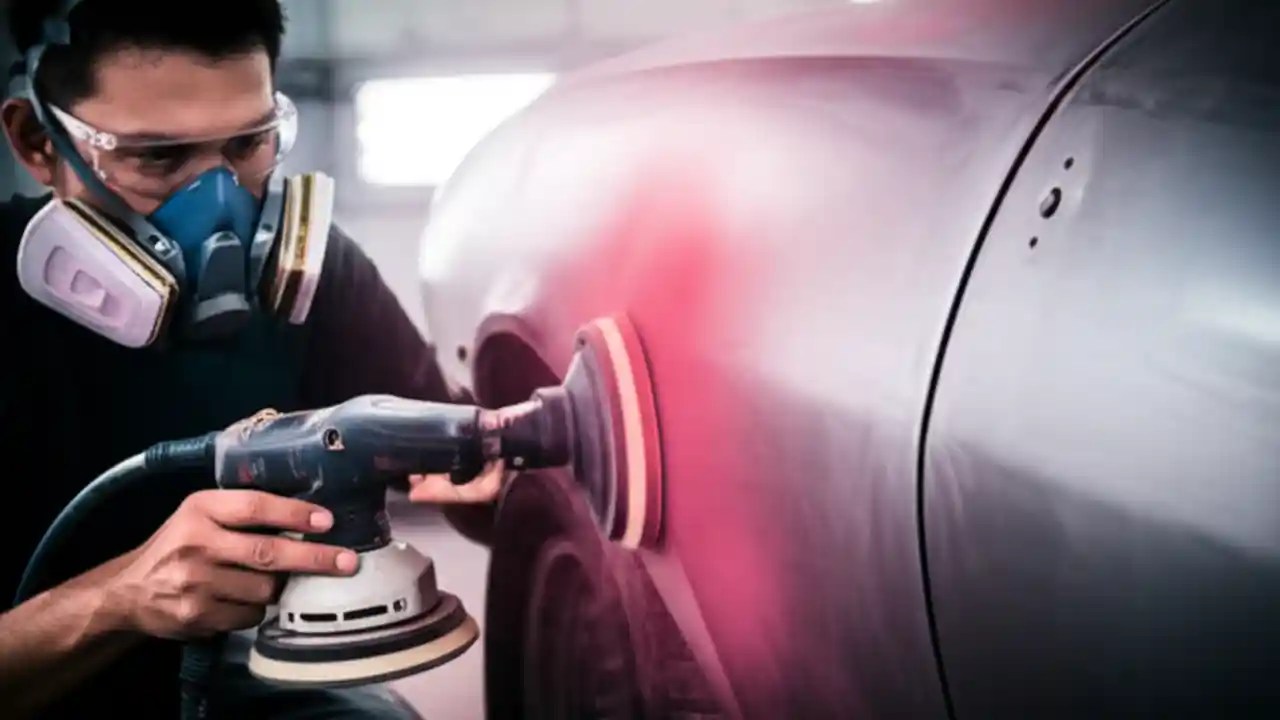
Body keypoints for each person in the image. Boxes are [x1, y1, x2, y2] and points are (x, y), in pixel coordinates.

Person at [0, 0, 503, 717]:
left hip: (222, 681)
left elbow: (458, 482)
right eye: (157, 157)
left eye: (248, 146)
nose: (221, 203)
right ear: (36, 142)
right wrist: (118, 600)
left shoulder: (317, 281)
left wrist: (486, 477)